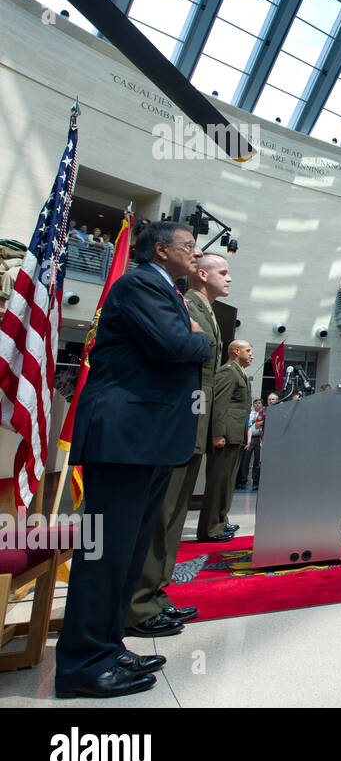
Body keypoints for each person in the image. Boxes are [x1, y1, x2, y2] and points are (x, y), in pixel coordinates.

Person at [55, 221, 211, 698]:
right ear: (161, 251)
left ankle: (107, 644)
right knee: (104, 555)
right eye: (189, 245)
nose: (196, 252)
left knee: (126, 554)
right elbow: (175, 345)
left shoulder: (166, 289)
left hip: (148, 439)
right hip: (124, 438)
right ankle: (82, 663)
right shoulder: (141, 282)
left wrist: (192, 332)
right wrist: (200, 337)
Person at [125, 251, 226, 636]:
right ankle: (140, 602)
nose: (228, 278)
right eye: (223, 271)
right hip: (183, 416)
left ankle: (156, 595)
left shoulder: (209, 313)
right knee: (163, 513)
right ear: (202, 275)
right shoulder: (188, 306)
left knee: (176, 511)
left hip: (196, 420)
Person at [198, 340, 254, 540]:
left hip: (235, 435)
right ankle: (210, 529)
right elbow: (219, 404)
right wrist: (217, 434)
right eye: (248, 351)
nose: (251, 354)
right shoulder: (228, 371)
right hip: (226, 436)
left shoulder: (239, 372)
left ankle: (221, 522)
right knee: (218, 482)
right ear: (236, 351)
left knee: (227, 483)